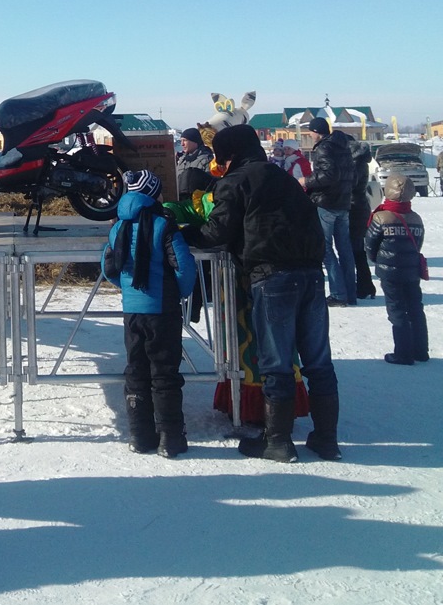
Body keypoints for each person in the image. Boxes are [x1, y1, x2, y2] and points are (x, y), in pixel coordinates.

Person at [183, 124, 341, 463]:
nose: (218, 164)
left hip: (272, 277)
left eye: (220, 158)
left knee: (276, 363)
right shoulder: (283, 178)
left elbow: (217, 231)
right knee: (318, 362)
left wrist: (185, 230)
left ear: (231, 155)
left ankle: (278, 442)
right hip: (313, 275)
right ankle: (327, 439)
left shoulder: (236, 181)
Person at [102, 169, 196, 457]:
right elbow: (183, 266)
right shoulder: (163, 225)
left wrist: (130, 289)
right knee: (165, 373)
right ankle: (171, 439)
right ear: (152, 194)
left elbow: (109, 267)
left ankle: (140, 437)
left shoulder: (118, 227)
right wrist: (178, 292)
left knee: (136, 371)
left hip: (132, 310)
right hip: (162, 308)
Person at [365, 173, 429, 365]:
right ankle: (421, 350)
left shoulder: (381, 216)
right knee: (416, 309)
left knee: (397, 310)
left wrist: (377, 260)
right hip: (411, 271)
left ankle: (403, 353)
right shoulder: (416, 218)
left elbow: (370, 244)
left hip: (389, 272)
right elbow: (418, 244)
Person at [305, 116, 357, 306]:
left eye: (311, 131)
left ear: (317, 132)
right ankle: (350, 292)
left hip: (326, 203)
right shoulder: (344, 147)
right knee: (345, 249)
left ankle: (338, 294)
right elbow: (354, 176)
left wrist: (306, 181)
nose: (310, 135)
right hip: (343, 203)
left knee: (326, 249)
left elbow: (328, 174)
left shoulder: (324, 148)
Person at [348, 138, 377, 299]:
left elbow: (350, 185)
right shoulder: (362, 162)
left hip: (354, 208)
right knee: (357, 249)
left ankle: (364, 285)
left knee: (356, 250)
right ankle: (366, 285)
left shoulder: (355, 164)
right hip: (361, 206)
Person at [176, 129, 213, 199]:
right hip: (181, 200)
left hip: (198, 202)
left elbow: (210, 184)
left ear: (195, 142)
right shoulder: (182, 160)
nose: (182, 144)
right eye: (181, 140)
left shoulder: (206, 160)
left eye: (185, 140)